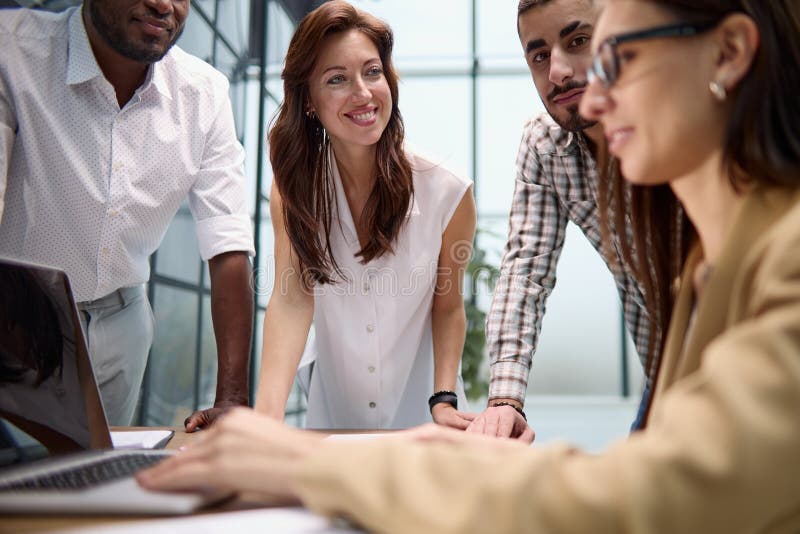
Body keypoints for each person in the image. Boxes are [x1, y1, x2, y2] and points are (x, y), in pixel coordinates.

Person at [139, 0, 800, 531]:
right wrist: (276, 425)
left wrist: (325, 463)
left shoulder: (785, 263)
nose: (585, 98)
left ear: (730, 51)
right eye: (541, 54)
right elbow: (523, 274)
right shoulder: (712, 270)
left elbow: (642, 501)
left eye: (616, 58)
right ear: (309, 100)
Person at [0, 0, 255, 427]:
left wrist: (232, 397)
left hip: (124, 320)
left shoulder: (204, 93)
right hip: (18, 314)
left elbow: (227, 242)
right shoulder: (13, 48)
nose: (162, 4)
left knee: (96, 479)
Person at [253, 1, 477, 430]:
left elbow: (447, 307)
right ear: (308, 102)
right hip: (333, 419)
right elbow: (291, 297)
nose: (362, 93)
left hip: (427, 422)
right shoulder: (293, 191)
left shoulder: (447, 190)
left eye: (372, 72)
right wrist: (266, 418)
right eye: (337, 79)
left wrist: (444, 398)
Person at [468, 0, 651, 442]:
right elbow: (524, 274)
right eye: (539, 55)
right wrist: (504, 401)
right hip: (666, 364)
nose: (557, 72)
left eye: (578, 41)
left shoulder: (677, 121)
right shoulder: (544, 145)